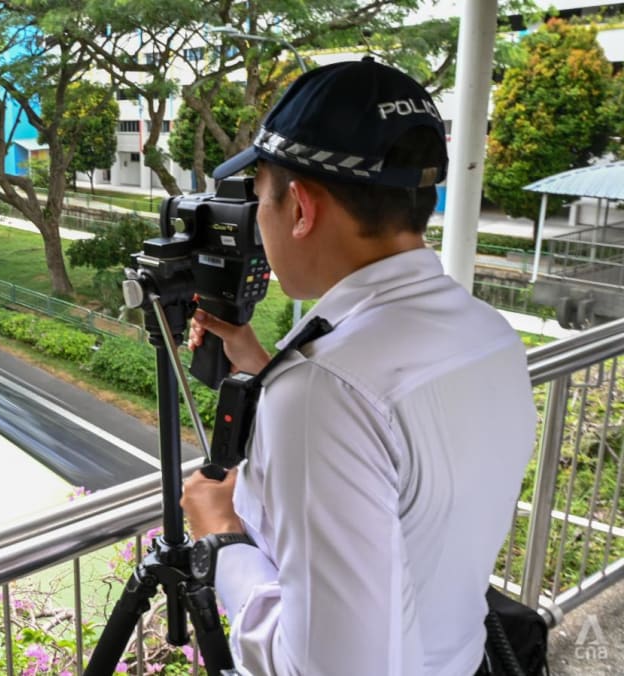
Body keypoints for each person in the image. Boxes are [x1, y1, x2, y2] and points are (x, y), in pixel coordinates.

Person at [180, 58, 538, 675]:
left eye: (261, 199)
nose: (257, 225)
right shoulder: (487, 334)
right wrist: (266, 369)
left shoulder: (328, 390)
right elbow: (406, 475)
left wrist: (224, 542)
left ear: (301, 208)